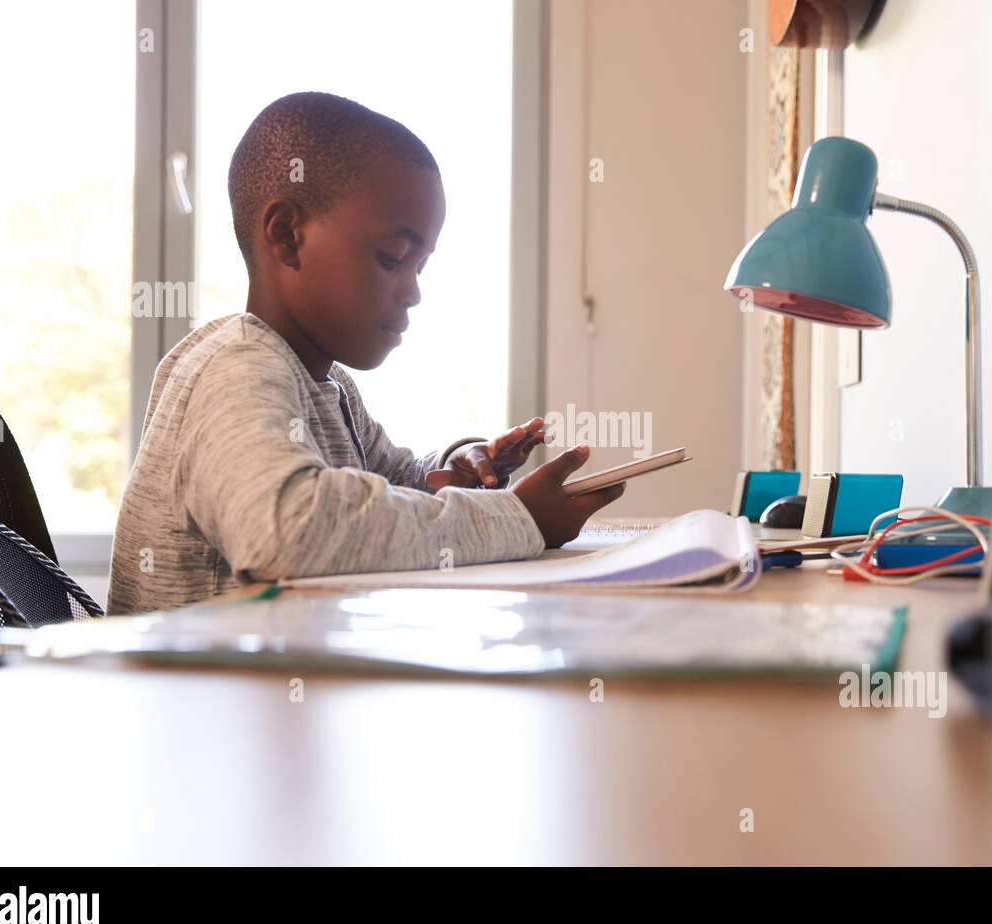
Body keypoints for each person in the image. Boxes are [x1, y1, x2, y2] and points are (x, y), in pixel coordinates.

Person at [108, 92, 622, 614]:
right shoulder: (236, 370)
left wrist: (454, 469)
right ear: (287, 236)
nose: (413, 291)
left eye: (419, 267)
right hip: (195, 691)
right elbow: (288, 532)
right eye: (392, 257)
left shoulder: (327, 383)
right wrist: (519, 520)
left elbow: (387, 481)